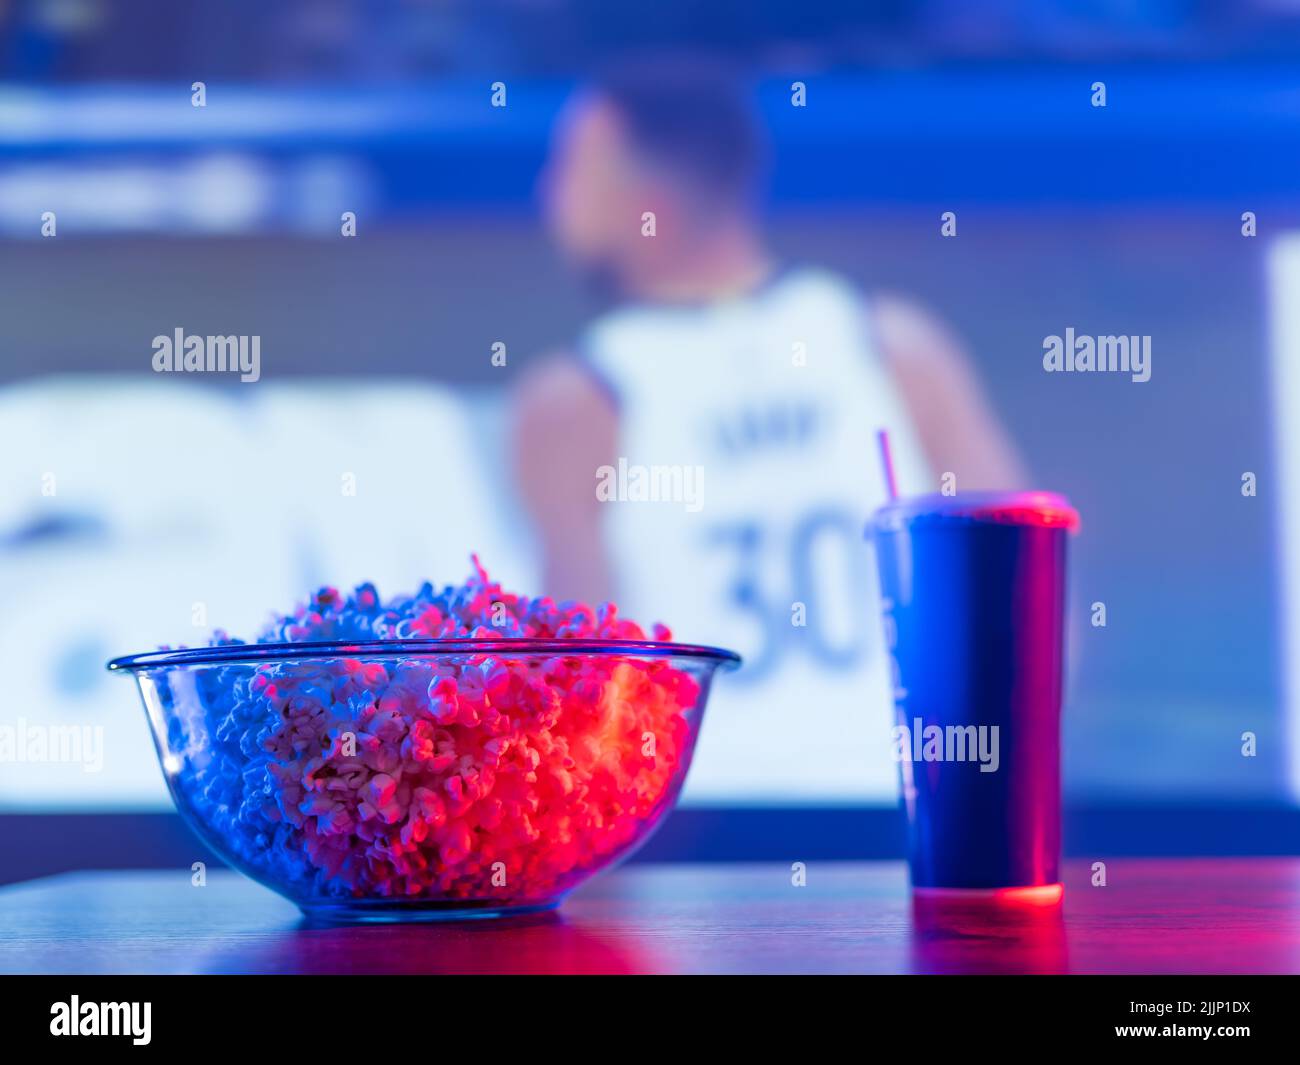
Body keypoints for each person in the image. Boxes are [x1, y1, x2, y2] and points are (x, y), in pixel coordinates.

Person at [512, 56, 1026, 799]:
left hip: (699, 831)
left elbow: (578, 692)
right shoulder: (894, 345)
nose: (548, 197)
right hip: (910, 809)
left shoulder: (575, 400)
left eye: (566, 168)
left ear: (636, 186)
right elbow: (1025, 604)